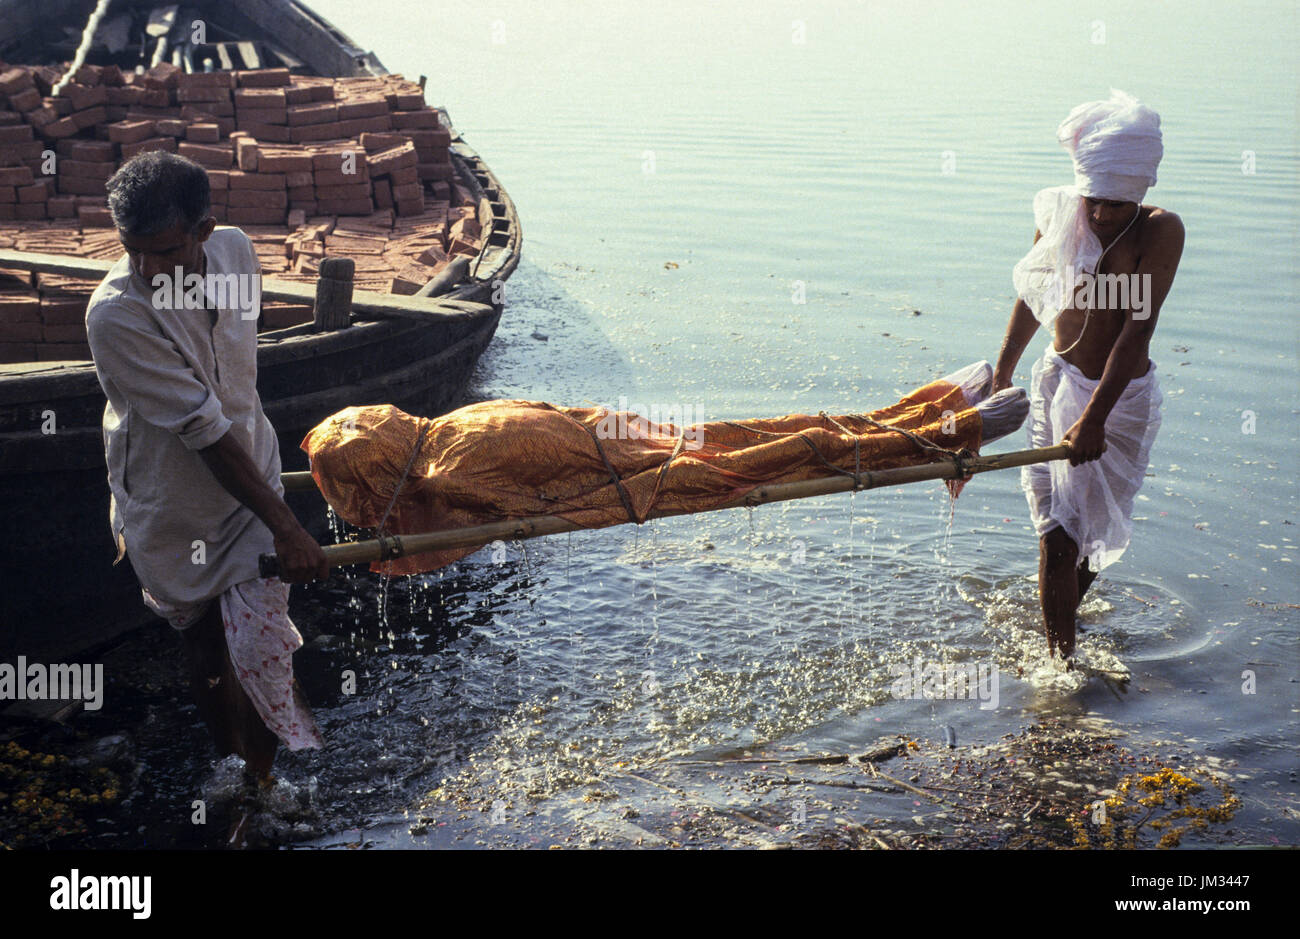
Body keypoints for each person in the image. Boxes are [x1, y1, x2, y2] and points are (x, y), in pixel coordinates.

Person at [86, 152, 330, 834]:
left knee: (260, 643)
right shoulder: (115, 317)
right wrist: (290, 526)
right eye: (134, 253)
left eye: (163, 252)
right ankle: (228, 759)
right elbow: (204, 435)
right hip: (170, 503)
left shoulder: (237, 253)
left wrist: (275, 521)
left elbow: (233, 389)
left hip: (249, 470)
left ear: (205, 229)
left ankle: (259, 783)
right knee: (203, 643)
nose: (148, 270)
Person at [993, 89, 1185, 661]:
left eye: (1115, 205)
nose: (1100, 215)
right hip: (1056, 381)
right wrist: (1003, 376)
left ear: (1140, 191)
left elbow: (1136, 335)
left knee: (1085, 541)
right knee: (1056, 535)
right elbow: (1032, 295)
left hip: (1119, 402)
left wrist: (1095, 419)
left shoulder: (1160, 231)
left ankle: (1060, 633)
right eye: (1093, 201)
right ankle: (1061, 668)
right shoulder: (1059, 214)